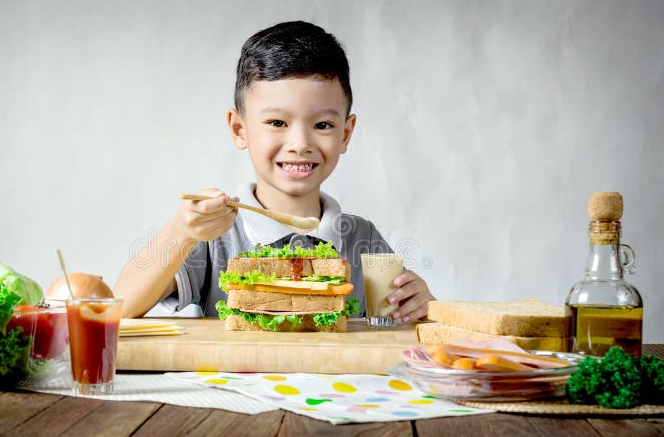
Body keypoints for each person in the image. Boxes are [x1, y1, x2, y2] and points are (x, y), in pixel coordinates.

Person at [115, 21, 434, 322]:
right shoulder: (217, 236)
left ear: (345, 134)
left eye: (323, 125)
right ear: (240, 129)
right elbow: (120, 306)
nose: (300, 144)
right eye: (277, 123)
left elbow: (407, 330)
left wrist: (422, 306)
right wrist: (180, 232)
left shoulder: (362, 239)